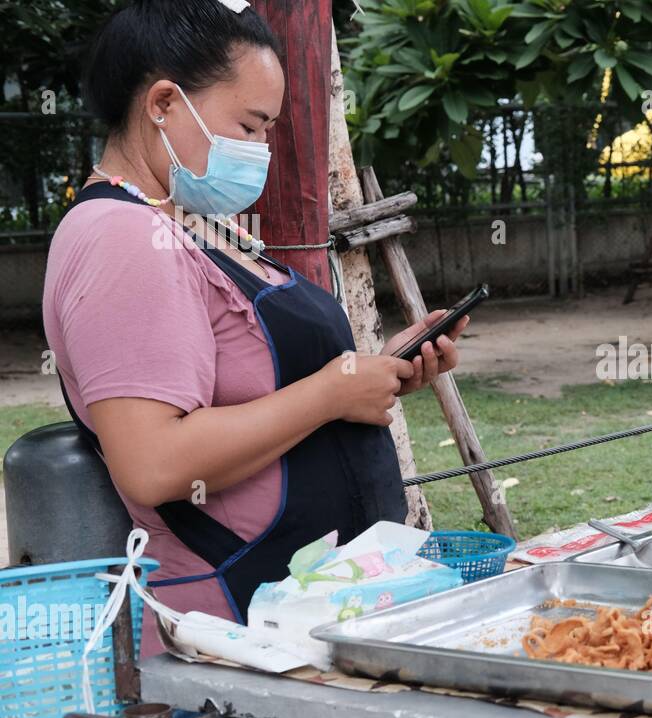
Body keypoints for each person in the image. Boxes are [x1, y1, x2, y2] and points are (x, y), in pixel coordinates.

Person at [42, 0, 466, 655]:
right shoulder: (121, 237)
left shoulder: (194, 222)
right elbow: (152, 461)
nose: (261, 149)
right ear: (163, 103)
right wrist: (328, 393)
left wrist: (374, 375)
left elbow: (259, 393)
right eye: (248, 124)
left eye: (268, 128)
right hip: (237, 620)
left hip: (317, 600)